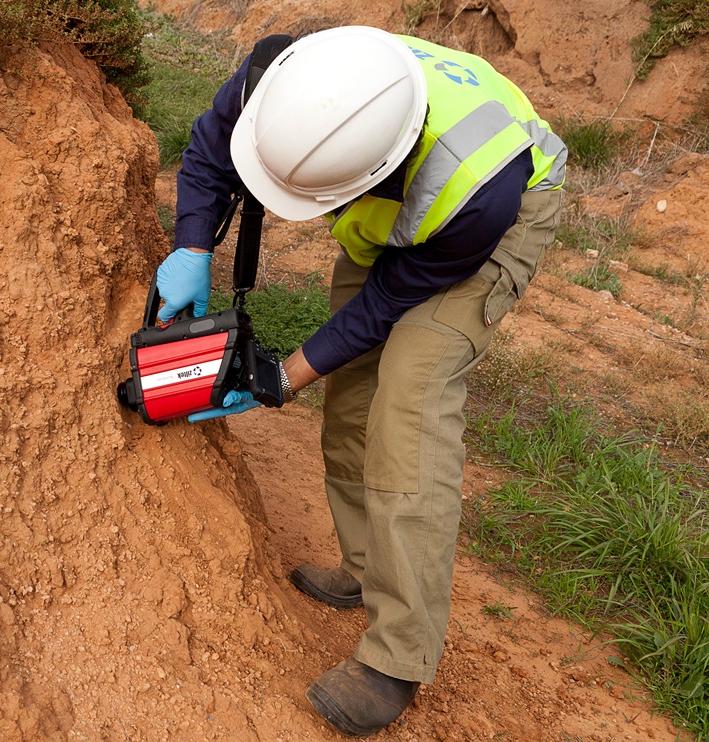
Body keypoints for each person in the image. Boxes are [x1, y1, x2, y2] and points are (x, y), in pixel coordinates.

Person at [158, 26, 566, 736]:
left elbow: (385, 305)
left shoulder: (475, 196)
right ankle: (367, 567)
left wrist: (285, 376)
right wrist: (193, 244)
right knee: (350, 395)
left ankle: (397, 657)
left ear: (376, 174)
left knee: (409, 402)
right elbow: (209, 150)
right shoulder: (285, 78)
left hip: (488, 213)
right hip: (399, 205)